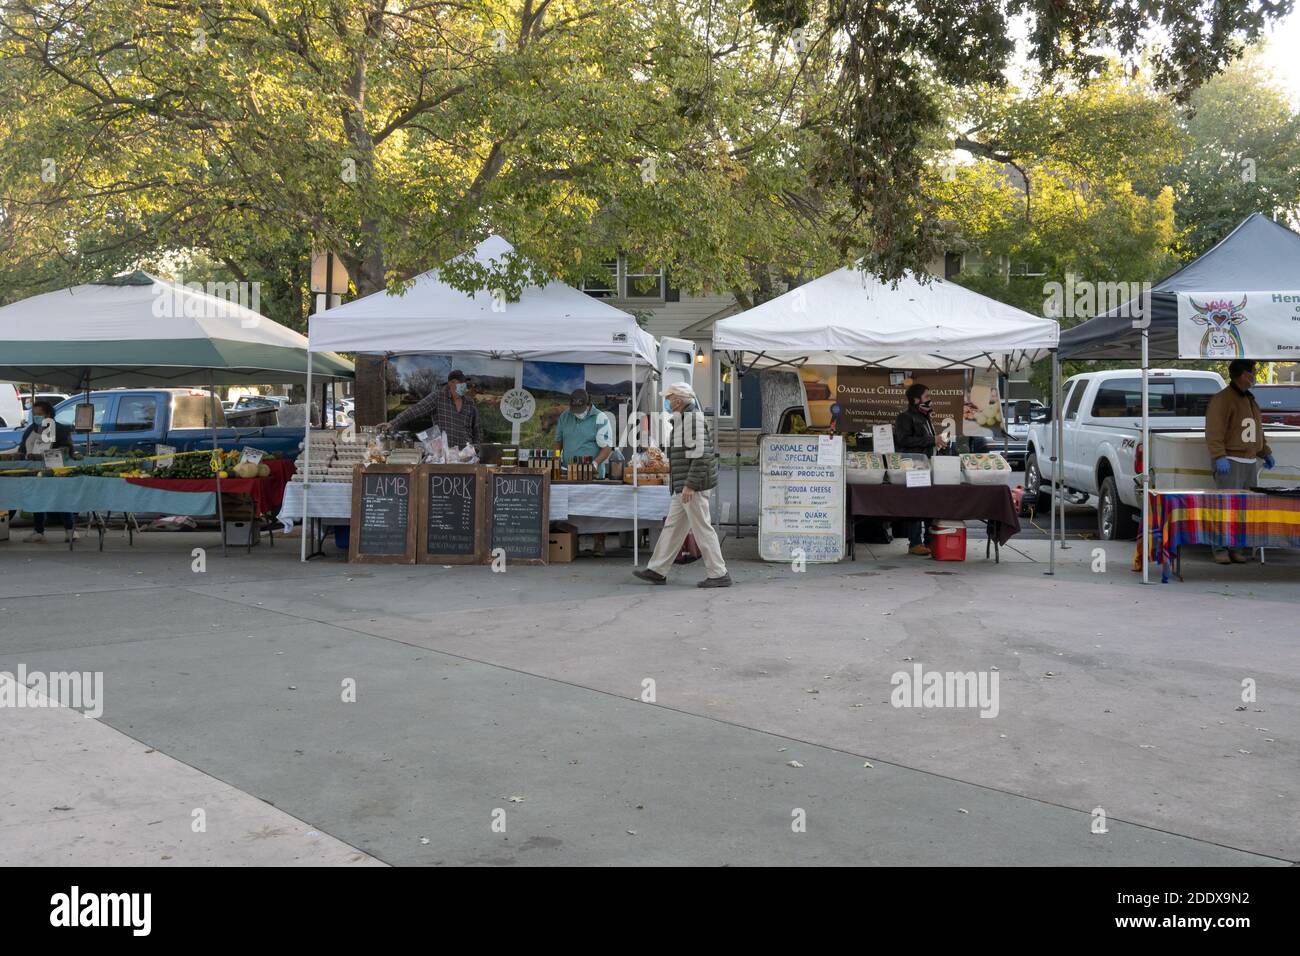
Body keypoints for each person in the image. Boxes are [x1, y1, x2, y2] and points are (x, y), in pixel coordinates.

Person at [634, 383, 731, 588]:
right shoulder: (685, 419)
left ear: (678, 400)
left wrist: (690, 485)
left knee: (702, 528)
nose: (667, 402)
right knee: (673, 527)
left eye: (669, 398)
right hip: (685, 485)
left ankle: (719, 573)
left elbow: (702, 457)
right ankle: (657, 570)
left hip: (691, 486)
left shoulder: (691, 421)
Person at [1204, 359, 1275, 564]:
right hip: (1231, 460)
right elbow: (1214, 430)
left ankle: (1236, 547)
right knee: (1225, 507)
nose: (1254, 375)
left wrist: (1264, 452)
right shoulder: (1223, 399)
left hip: (1250, 462)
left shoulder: (1250, 400)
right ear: (1243, 374)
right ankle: (1219, 548)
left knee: (1243, 509)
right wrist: (1219, 456)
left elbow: (1255, 431)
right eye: (1252, 372)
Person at [892, 382, 946, 556]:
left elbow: (927, 439)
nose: (930, 400)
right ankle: (915, 543)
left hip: (927, 465)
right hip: (913, 467)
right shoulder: (904, 417)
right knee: (916, 503)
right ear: (916, 399)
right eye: (927, 397)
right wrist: (932, 440)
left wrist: (938, 441)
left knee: (929, 503)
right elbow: (903, 440)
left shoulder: (925, 417)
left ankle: (929, 540)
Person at [17, 401, 78, 543]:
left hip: (55, 472)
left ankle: (70, 530)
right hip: (33, 472)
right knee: (37, 499)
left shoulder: (60, 429)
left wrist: (41, 456)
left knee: (60, 498)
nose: (36, 416)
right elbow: (22, 449)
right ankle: (38, 531)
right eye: (34, 414)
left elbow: (67, 451)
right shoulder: (30, 430)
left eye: (39, 414)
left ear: (48, 414)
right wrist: (21, 455)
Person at [381, 369, 481, 449]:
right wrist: (393, 423)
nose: (464, 386)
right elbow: (416, 410)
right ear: (451, 383)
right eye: (461, 383)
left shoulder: (469, 402)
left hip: (467, 455)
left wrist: (476, 448)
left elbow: (476, 427)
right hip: (444, 455)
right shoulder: (438, 397)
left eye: (464, 384)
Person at [554, 389, 614, 477]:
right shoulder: (565, 416)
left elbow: (607, 447)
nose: (577, 413)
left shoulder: (600, 418)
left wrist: (595, 463)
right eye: (574, 410)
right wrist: (557, 458)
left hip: (592, 474)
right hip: (569, 473)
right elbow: (558, 442)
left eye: (580, 410)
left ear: (588, 404)